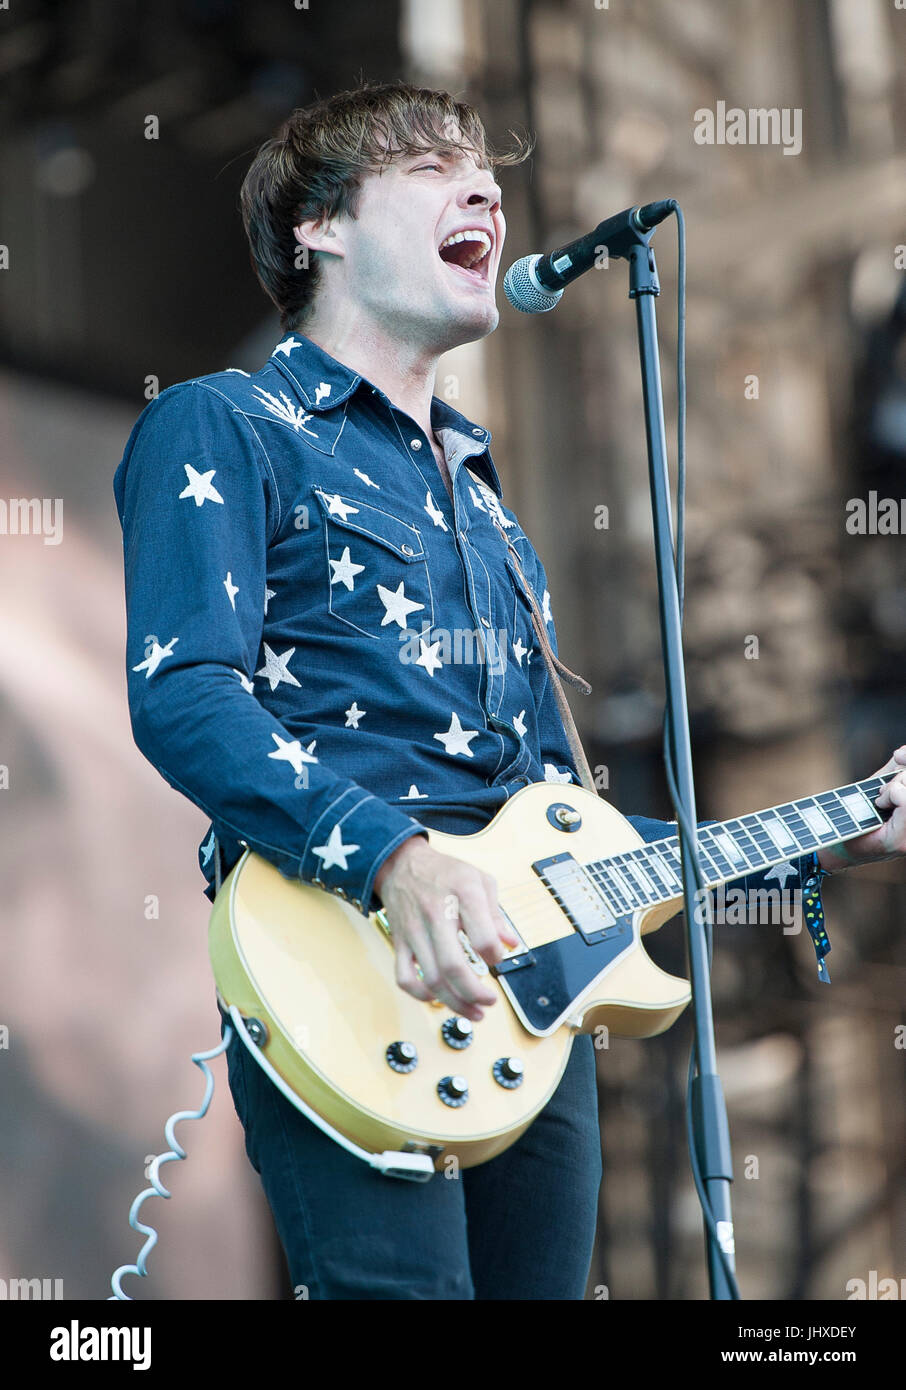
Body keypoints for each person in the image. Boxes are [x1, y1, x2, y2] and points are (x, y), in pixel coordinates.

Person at [112, 81, 906, 1300]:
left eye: (486, 170)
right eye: (431, 168)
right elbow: (186, 696)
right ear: (317, 226)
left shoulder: (486, 502)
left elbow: (568, 831)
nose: (483, 188)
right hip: (353, 955)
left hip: (529, 1013)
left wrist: (838, 830)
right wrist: (393, 857)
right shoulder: (231, 425)